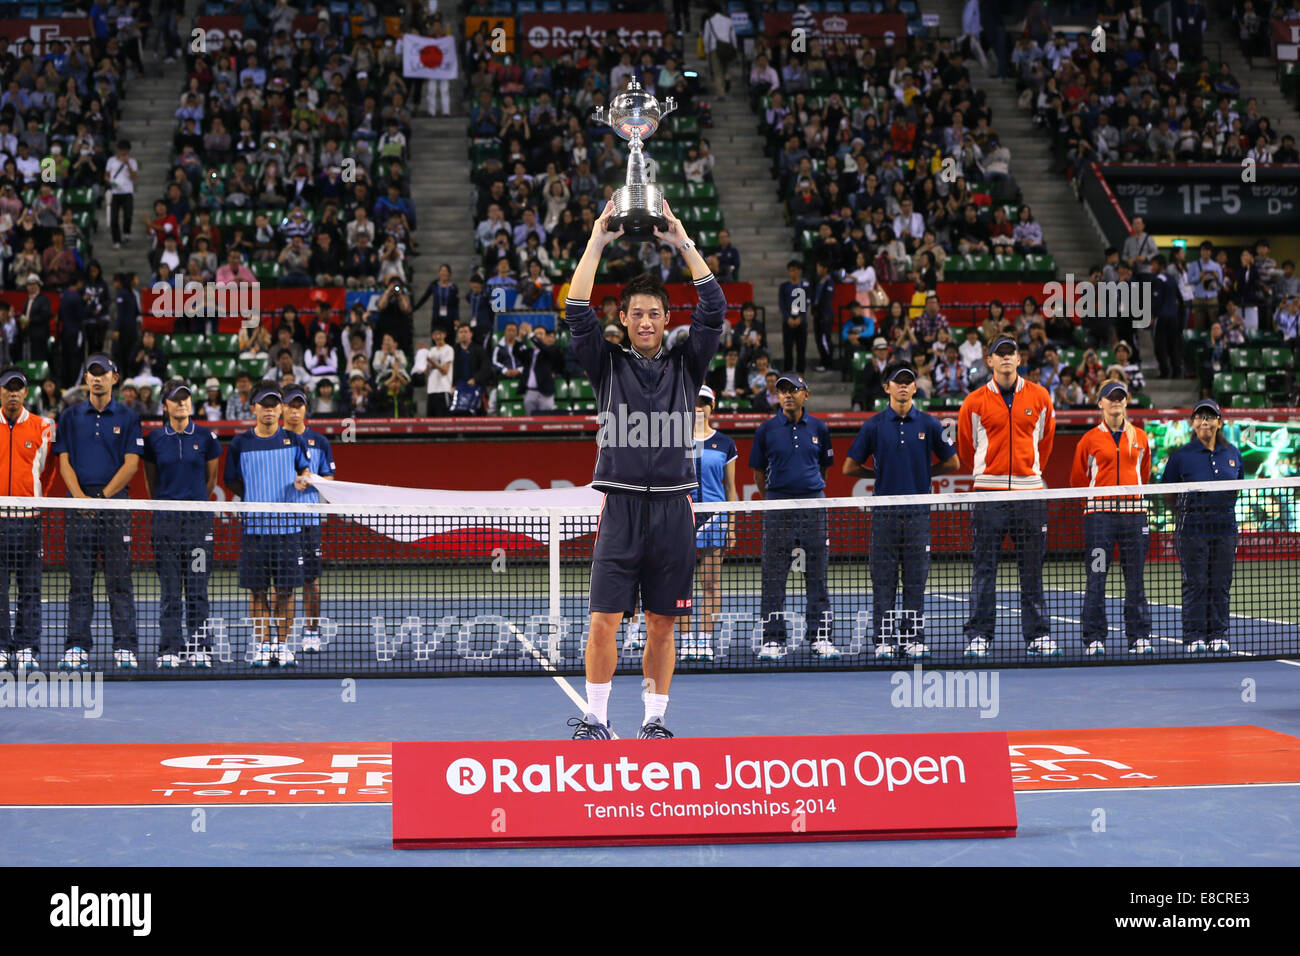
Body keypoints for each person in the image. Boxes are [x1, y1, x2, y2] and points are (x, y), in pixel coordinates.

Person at [562, 200, 724, 740]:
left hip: (675, 508)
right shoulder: (605, 364)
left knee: (662, 623)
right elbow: (576, 306)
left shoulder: (687, 363)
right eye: (636, 313)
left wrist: (681, 240)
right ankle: (596, 719)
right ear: (624, 320)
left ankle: (654, 722)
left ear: (665, 320)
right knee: (603, 620)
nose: (646, 320)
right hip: (621, 507)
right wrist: (596, 241)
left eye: (655, 313)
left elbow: (714, 308)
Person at [843, 364, 958, 658]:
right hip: (884, 515)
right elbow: (849, 466)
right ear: (887, 388)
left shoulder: (932, 424)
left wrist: (923, 472)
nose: (903, 386)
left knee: (915, 580)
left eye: (908, 382)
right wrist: (878, 476)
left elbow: (953, 463)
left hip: (918, 514)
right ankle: (883, 639)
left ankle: (913, 638)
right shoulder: (873, 425)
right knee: (884, 580)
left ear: (915, 388)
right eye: (898, 382)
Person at [957, 336, 1057, 659]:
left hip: (1029, 494)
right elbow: (966, 446)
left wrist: (1028, 473)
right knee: (984, 568)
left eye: (1010, 353)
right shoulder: (973, 402)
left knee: (1032, 569)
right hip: (988, 495)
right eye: (999, 354)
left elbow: (1045, 443)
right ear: (989, 361)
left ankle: (1038, 635)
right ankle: (979, 635)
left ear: (1019, 359)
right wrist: (993, 471)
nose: (1005, 359)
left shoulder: (1041, 397)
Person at [53, 353, 144, 671]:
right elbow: (63, 460)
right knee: (80, 582)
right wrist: (80, 499)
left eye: (102, 372)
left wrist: (102, 498)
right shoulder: (70, 416)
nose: (96, 377)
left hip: (115, 506)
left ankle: (125, 647)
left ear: (114, 378)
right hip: (79, 507)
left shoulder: (130, 417)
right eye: (91, 373)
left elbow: (132, 464)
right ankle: (77, 645)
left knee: (119, 581)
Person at [750, 372, 839, 661]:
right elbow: (759, 474)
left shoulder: (819, 428)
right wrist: (776, 498)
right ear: (777, 396)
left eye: (794, 390)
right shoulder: (766, 431)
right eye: (783, 390)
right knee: (773, 579)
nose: (788, 394)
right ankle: (773, 640)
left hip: (813, 508)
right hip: (778, 509)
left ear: (806, 394)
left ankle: (820, 637)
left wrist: (807, 491)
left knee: (817, 577)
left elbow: (824, 468)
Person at [223, 383, 312, 667]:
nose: (270, 410)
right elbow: (232, 480)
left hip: (288, 531)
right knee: (258, 592)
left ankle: (283, 646)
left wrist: (303, 479)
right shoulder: (240, 443)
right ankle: (262, 646)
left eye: (275, 405)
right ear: (254, 408)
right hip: (255, 532)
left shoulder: (293, 441)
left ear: (281, 408)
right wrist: (253, 497)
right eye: (265, 405)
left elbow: (305, 471)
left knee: (286, 592)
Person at [1069, 380, 1154, 656]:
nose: (1116, 401)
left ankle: (1139, 636)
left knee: (1135, 579)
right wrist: (1097, 504)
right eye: (1110, 397)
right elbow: (1078, 480)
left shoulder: (1140, 437)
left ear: (1126, 402)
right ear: (1100, 403)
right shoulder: (1088, 440)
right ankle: (1094, 638)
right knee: (1096, 577)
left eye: (1120, 397)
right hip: (1099, 519)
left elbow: (1145, 472)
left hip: (1134, 517)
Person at [142, 379, 222, 668]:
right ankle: (169, 648)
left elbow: (210, 481)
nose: (182, 403)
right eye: (175, 399)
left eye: (186, 398)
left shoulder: (207, 438)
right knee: (171, 590)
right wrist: (167, 506)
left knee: (198, 589)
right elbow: (151, 480)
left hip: (198, 527)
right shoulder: (154, 440)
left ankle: (200, 645)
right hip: (165, 526)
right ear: (165, 405)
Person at [1160, 398, 1244, 654]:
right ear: (1193, 423)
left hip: (1225, 529)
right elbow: (1166, 492)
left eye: (1210, 417)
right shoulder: (1180, 456)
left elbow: (1239, 486)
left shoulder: (1233, 453)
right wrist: (1186, 514)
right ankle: (1194, 637)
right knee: (1195, 583)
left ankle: (1218, 635)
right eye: (1199, 417)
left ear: (1219, 422)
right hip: (1192, 530)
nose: (1204, 421)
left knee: (1220, 583)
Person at [679, 385, 738, 663]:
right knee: (680, 585)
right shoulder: (675, 440)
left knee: (711, 584)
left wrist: (732, 525)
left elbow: (731, 489)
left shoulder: (726, 443)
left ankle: (704, 639)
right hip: (681, 519)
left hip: (715, 519)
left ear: (712, 408)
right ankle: (686, 640)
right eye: (695, 403)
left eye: (704, 403)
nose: (699, 408)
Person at [0, 366, 53, 671]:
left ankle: (26, 647)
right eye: (8, 388)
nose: (14, 393)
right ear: (1, 392)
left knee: (30, 588)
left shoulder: (43, 426)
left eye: (19, 388)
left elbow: (47, 469)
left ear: (26, 392)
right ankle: (1, 646)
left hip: (29, 520)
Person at [281, 384, 335, 653]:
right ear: (282, 408)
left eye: (299, 405)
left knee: (310, 579)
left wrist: (310, 480)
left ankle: (312, 631)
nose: (294, 410)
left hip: (308, 520)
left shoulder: (320, 441)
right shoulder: (273, 439)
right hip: (277, 522)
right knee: (282, 580)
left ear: (305, 409)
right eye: (290, 405)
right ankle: (280, 638)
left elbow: (330, 480)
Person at [412, 327, 454, 417]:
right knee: (431, 419)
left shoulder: (448, 349)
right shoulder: (431, 351)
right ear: (432, 336)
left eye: (440, 334)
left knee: (443, 419)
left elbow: (445, 371)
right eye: (435, 334)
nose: (438, 336)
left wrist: (431, 360)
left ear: (444, 335)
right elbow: (426, 371)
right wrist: (422, 355)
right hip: (431, 389)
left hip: (443, 389)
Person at [779, 260, 811, 375]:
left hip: (801, 322)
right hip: (788, 321)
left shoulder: (805, 286)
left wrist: (800, 318)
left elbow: (806, 303)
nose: (794, 273)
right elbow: (782, 304)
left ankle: (800, 372)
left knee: (801, 349)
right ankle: (788, 373)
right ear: (789, 272)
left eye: (796, 270)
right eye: (792, 270)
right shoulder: (784, 287)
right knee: (787, 349)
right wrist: (788, 318)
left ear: (800, 271)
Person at [105, 139, 137, 249]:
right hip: (115, 192)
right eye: (122, 151)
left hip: (127, 191)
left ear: (129, 151)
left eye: (126, 151)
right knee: (114, 218)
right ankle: (116, 240)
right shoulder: (111, 161)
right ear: (118, 150)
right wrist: (110, 182)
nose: (124, 153)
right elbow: (106, 175)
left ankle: (126, 232)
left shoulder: (132, 162)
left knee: (128, 215)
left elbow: (134, 177)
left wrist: (127, 164)